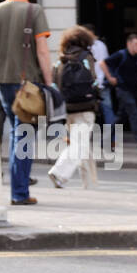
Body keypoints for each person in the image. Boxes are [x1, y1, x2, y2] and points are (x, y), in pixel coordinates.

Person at [0, 0, 52, 205]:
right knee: (23, 136)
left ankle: (18, 188)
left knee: (15, 133)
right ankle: (19, 193)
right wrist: (50, 83)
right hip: (27, 84)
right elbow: (42, 50)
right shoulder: (34, 10)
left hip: (1, 81)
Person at [47, 25, 100, 189]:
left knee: (82, 144)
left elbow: (54, 83)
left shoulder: (61, 58)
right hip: (85, 107)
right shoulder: (86, 56)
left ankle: (90, 184)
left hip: (68, 108)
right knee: (80, 144)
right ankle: (59, 172)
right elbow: (94, 79)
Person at [100, 33, 137, 156]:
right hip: (122, 91)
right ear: (129, 44)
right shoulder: (121, 55)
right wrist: (110, 77)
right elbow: (102, 63)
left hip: (131, 91)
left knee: (120, 118)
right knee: (135, 116)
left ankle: (103, 141)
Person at [83, 23, 117, 128]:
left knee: (86, 111)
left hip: (89, 84)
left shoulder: (84, 46)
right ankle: (111, 139)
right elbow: (106, 63)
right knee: (107, 110)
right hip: (101, 83)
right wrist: (109, 77)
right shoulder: (101, 45)